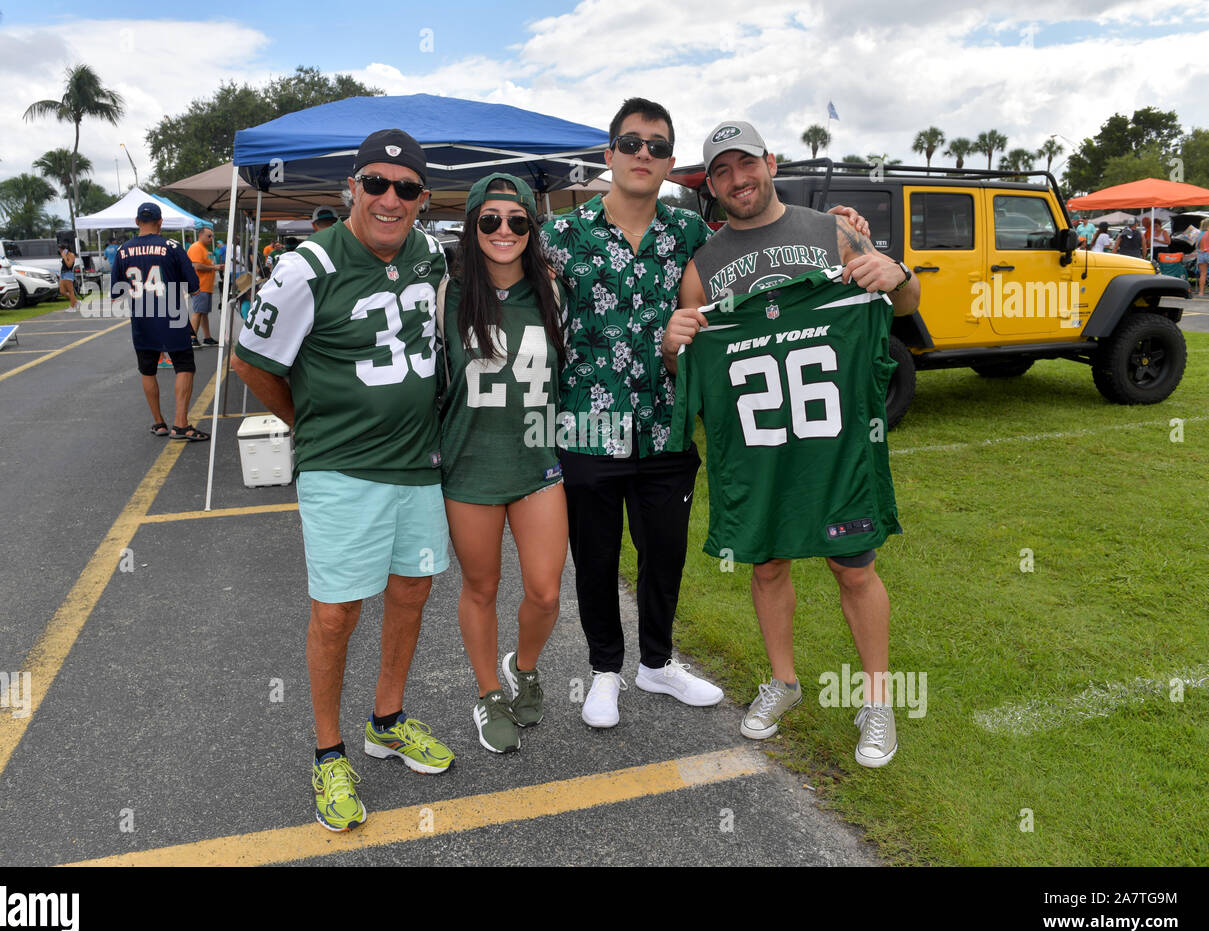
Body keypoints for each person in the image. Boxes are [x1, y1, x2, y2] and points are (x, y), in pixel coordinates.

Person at [541, 97, 871, 730]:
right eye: (631, 143)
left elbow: (766, 240)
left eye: (658, 146)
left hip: (669, 421)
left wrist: (841, 224)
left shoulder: (691, 234)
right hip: (587, 423)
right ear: (608, 155)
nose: (643, 155)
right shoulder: (559, 236)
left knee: (665, 552)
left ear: (670, 161)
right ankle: (605, 668)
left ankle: (656, 662)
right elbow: (500, 276)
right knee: (597, 555)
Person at [662, 120, 920, 768]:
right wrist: (673, 345)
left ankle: (878, 701)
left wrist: (895, 269)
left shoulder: (832, 230)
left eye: (745, 164)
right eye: (721, 171)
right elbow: (686, 366)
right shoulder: (704, 264)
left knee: (853, 567)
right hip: (758, 445)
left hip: (835, 444)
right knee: (767, 564)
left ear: (770, 162)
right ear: (711, 184)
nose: (736, 180)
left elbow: (906, 302)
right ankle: (783, 682)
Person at [231, 129, 453, 832]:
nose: (391, 199)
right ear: (352, 188)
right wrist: (311, 423)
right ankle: (329, 752)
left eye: (407, 188)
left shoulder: (430, 253)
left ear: (423, 198)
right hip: (342, 468)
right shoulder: (307, 267)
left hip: (417, 463)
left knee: (412, 592)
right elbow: (251, 361)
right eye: (377, 184)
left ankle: (385, 719)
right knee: (337, 611)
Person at [438, 173, 567, 754]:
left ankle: (527, 666)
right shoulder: (447, 292)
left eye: (517, 221)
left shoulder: (554, 290)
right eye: (489, 220)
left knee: (544, 592)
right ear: (472, 226)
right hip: (469, 461)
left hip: (537, 456)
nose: (504, 230)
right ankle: (489, 692)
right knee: (481, 586)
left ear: (531, 229)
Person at [110, 202, 207, 441]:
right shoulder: (172, 247)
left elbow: (115, 292)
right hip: (171, 315)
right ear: (160, 222)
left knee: (147, 369)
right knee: (184, 366)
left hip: (141, 318)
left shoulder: (122, 250)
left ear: (136, 222)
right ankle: (180, 423)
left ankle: (159, 422)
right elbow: (194, 287)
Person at [187, 226, 219, 347]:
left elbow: (204, 264)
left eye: (212, 236)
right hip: (200, 285)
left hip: (205, 285)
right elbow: (196, 266)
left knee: (203, 312)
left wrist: (214, 267)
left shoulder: (203, 249)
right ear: (201, 235)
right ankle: (191, 338)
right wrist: (213, 267)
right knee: (198, 311)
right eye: (209, 236)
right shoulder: (196, 247)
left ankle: (207, 337)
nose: (211, 238)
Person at [58, 245, 78, 311]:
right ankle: (75, 302)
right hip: (63, 274)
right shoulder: (64, 255)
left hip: (68, 273)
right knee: (62, 291)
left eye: (61, 250)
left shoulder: (71, 255)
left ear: (65, 249)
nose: (60, 251)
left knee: (70, 291)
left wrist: (64, 257)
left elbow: (69, 265)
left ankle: (72, 307)